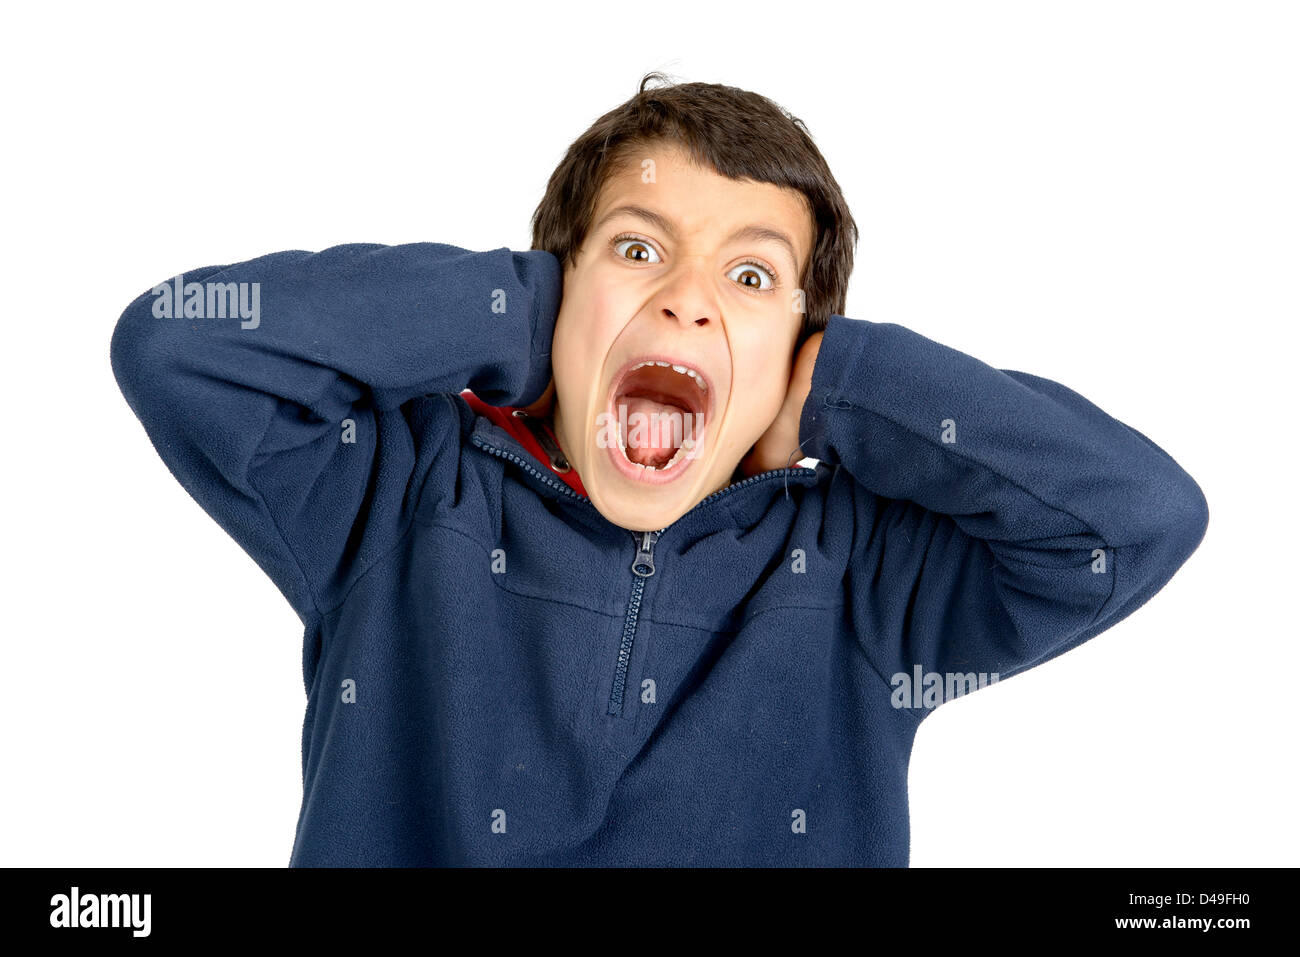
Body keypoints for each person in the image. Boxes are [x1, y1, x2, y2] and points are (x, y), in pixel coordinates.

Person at [109, 74, 1208, 866]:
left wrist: (841, 381)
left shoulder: (865, 574)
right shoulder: (396, 496)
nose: (685, 298)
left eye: (750, 276)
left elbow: (1137, 517)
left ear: (795, 353)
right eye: (635, 252)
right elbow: (180, 348)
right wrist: (527, 310)